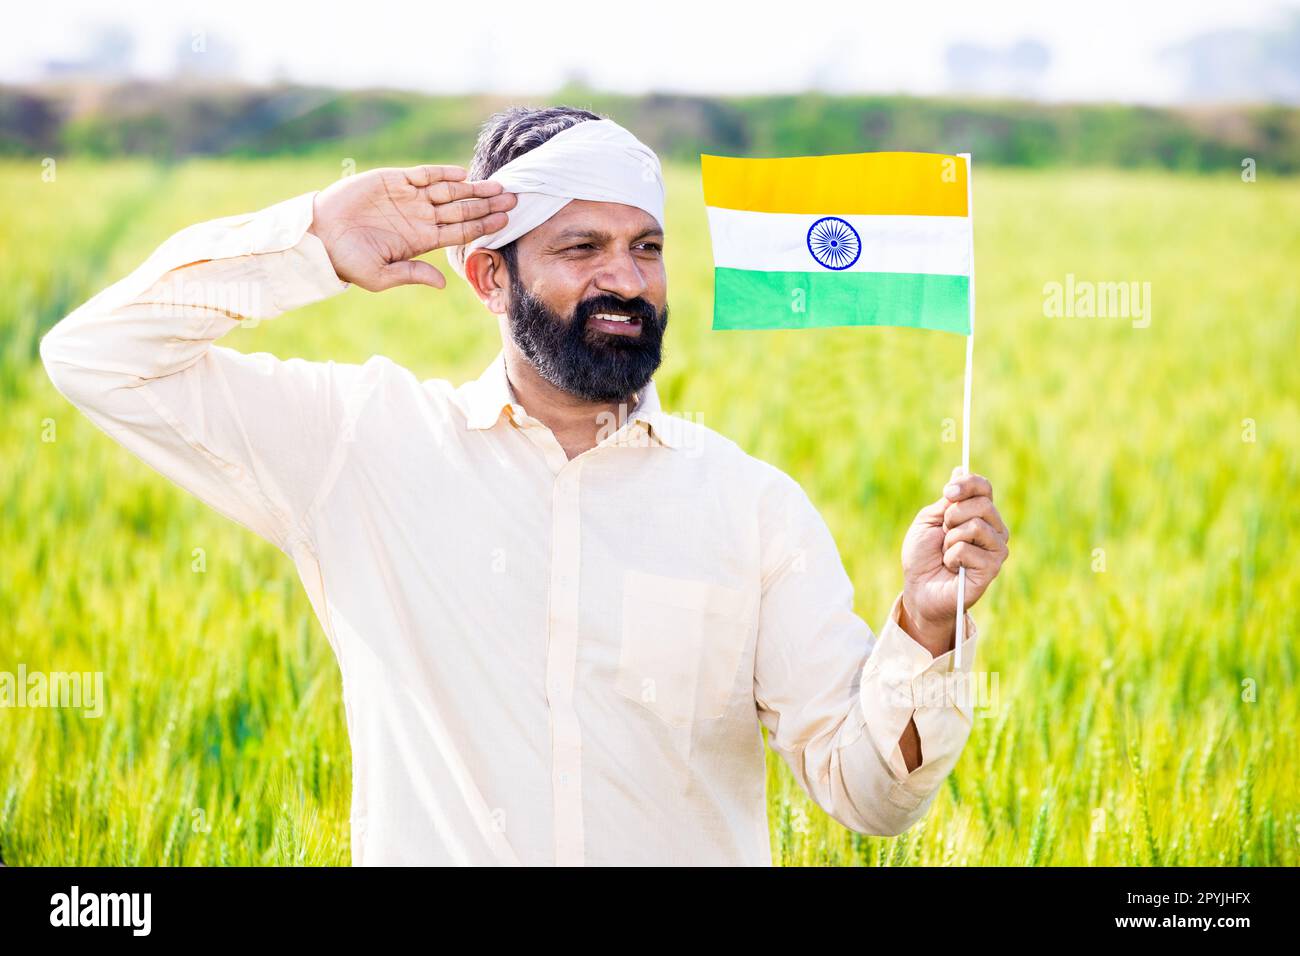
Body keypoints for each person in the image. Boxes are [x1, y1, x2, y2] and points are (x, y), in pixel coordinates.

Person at [40, 106, 1009, 866]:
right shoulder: (360, 448)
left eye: (645, 246)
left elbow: (869, 795)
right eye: (580, 248)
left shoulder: (748, 506)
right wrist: (311, 240)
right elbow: (96, 357)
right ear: (486, 278)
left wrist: (926, 627)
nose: (625, 279)